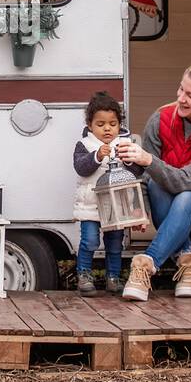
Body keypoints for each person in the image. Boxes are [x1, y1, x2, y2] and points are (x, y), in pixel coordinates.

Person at [116, 60, 191, 302]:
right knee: (156, 182)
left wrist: (148, 160)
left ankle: (145, 266)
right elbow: (147, 176)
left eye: (190, 95)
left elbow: (184, 181)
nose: (180, 98)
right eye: (181, 89)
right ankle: (189, 265)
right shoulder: (160, 120)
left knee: (186, 196)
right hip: (169, 213)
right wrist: (140, 210)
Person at [72, 91, 143, 296]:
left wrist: (129, 159)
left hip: (117, 205)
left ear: (119, 124)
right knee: (90, 241)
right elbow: (81, 168)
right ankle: (84, 275)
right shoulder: (84, 144)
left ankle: (113, 277)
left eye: (112, 124)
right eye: (101, 124)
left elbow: (137, 172)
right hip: (90, 205)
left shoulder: (125, 143)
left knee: (114, 243)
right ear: (90, 124)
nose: (107, 129)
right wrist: (96, 156)